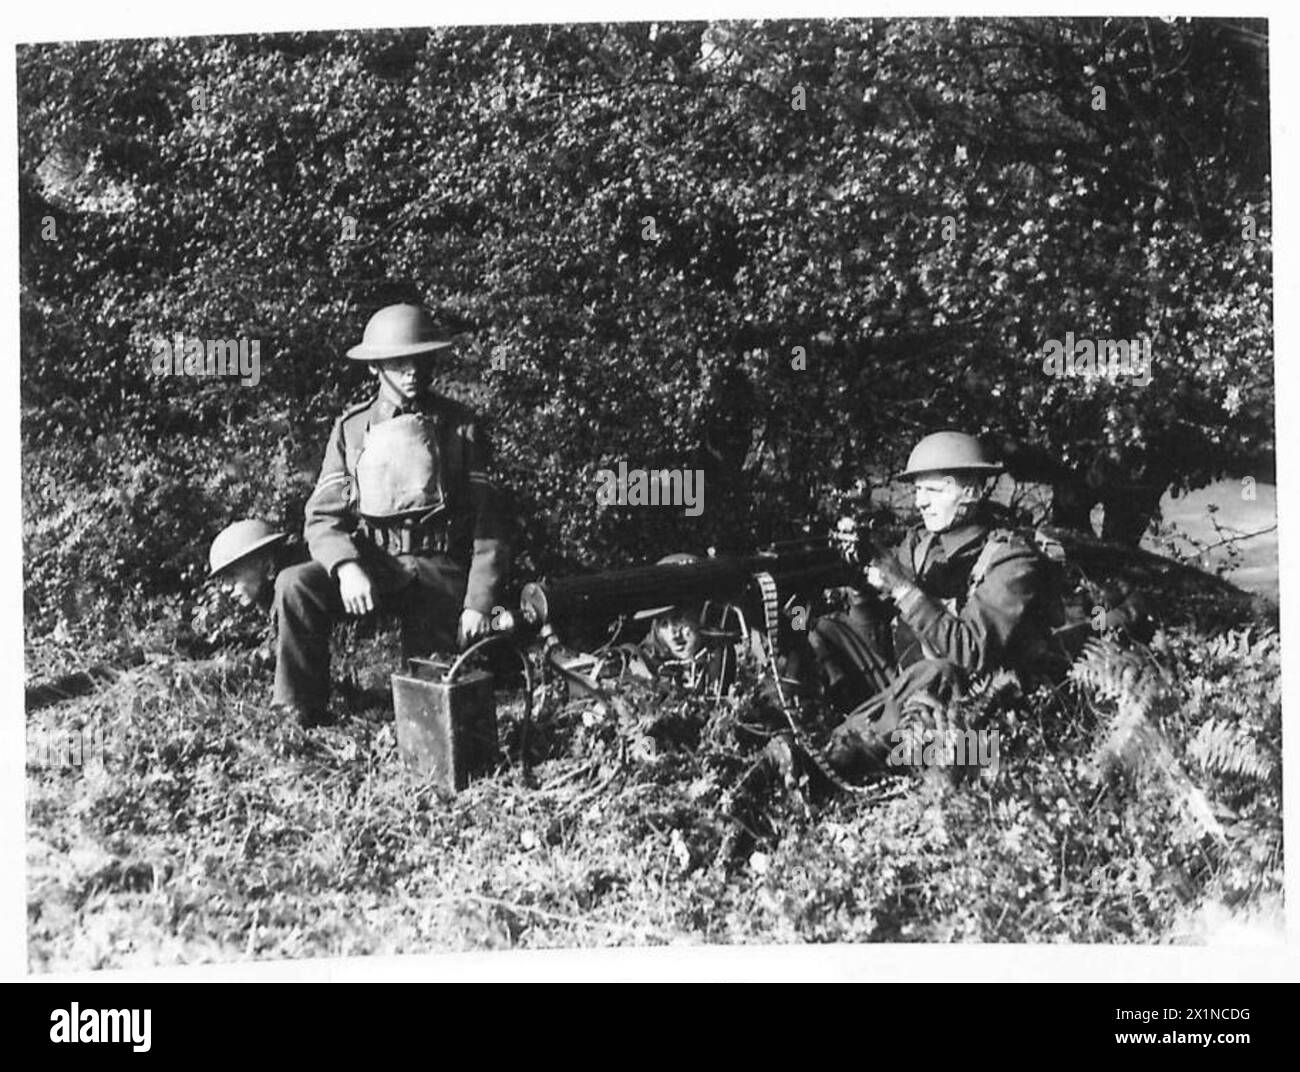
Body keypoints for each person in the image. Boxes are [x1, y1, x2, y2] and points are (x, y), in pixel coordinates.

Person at [273, 304, 512, 727]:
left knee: (432, 703)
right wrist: (346, 567)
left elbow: (490, 525)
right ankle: (302, 710)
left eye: (421, 360)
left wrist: (478, 603)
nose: (412, 371)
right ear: (375, 368)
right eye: (399, 362)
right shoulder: (351, 429)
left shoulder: (460, 427)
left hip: (440, 571)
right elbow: (322, 517)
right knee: (295, 585)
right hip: (375, 565)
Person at [804, 432, 1051, 778]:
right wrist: (860, 581)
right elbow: (878, 619)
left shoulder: (1012, 561)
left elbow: (971, 652)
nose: (921, 502)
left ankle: (840, 756)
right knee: (827, 631)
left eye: (934, 490)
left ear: (973, 492)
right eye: (918, 490)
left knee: (937, 670)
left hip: (971, 706)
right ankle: (792, 723)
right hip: (911, 682)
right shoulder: (920, 545)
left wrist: (902, 586)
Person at [207, 519, 298, 608]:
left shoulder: (292, 589)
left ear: (269, 566)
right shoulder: (278, 602)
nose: (225, 589)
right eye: (223, 579)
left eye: (232, 575)